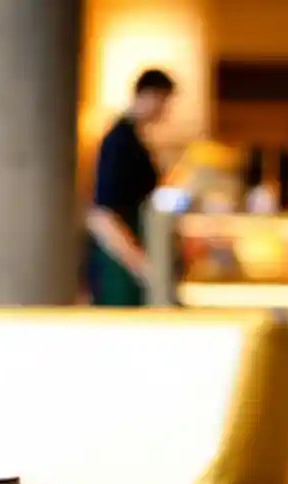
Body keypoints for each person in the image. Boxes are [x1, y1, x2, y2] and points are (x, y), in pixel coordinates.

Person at [85, 69, 175, 306]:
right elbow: (102, 213)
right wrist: (139, 261)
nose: (165, 109)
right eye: (164, 100)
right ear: (149, 95)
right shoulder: (120, 142)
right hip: (120, 255)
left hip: (130, 249)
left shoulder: (133, 138)